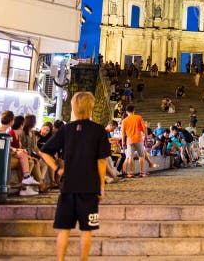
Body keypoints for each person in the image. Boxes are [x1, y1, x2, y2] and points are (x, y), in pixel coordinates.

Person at [40, 92, 110, 261]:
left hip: (68, 185)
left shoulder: (66, 129)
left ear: (74, 107)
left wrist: (57, 169)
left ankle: (60, 259)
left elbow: (44, 152)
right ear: (91, 107)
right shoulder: (99, 130)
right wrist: (102, 186)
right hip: (89, 186)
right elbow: (101, 162)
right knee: (86, 230)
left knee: (64, 229)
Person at [121, 105, 147, 178]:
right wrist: (146, 137)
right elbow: (144, 128)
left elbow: (123, 133)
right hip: (139, 139)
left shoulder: (124, 120)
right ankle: (141, 172)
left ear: (126, 112)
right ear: (134, 110)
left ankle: (131, 172)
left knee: (130, 157)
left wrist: (123, 142)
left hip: (130, 140)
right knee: (141, 156)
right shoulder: (139, 117)